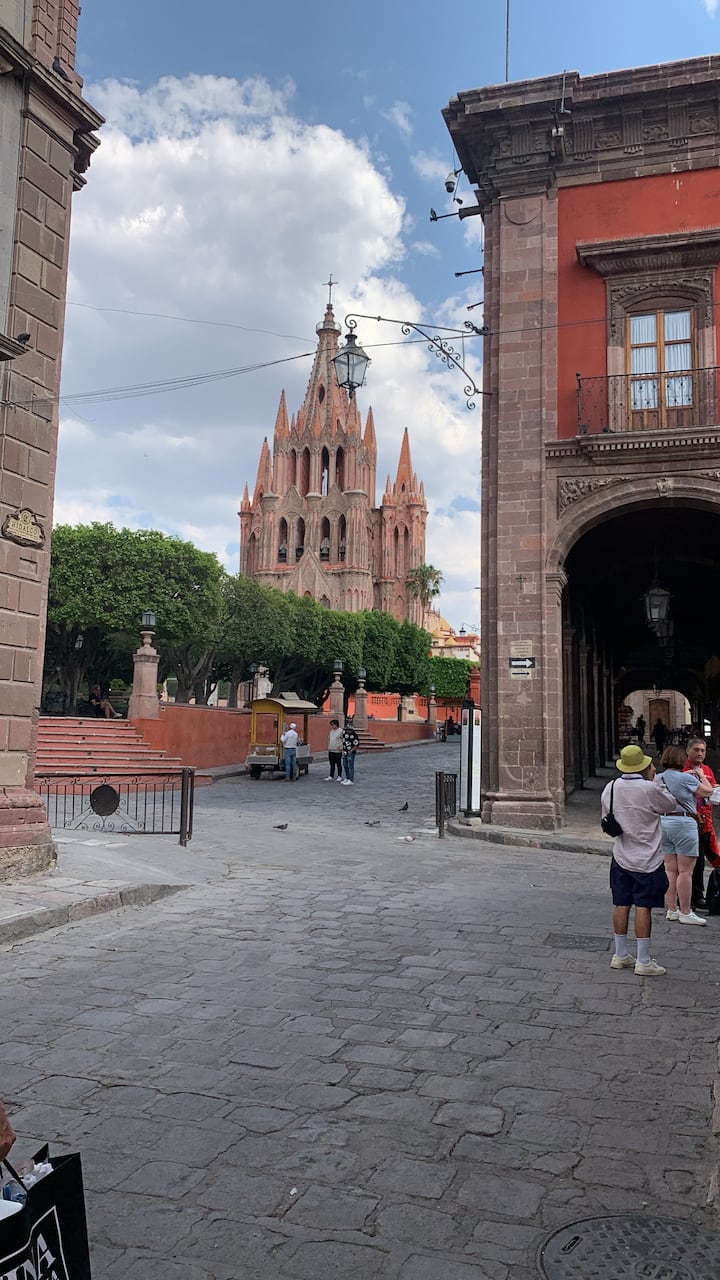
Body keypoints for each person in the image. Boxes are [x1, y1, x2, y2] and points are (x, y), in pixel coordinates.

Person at [601, 743, 676, 977]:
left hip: (621, 855)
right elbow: (669, 805)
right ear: (644, 765)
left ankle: (620, 954)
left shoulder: (611, 788)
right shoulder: (648, 788)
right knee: (643, 906)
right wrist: (654, 781)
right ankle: (643, 960)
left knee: (621, 903)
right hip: (648, 858)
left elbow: (606, 817)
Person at [658, 745, 712, 926]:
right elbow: (707, 791)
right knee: (686, 871)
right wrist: (701, 775)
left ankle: (671, 908)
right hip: (683, 822)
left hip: (664, 822)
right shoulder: (685, 778)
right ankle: (686, 911)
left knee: (670, 869)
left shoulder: (658, 778)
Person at [684, 736, 720, 908]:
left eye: (702, 750)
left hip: (707, 822)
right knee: (694, 862)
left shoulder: (707, 770)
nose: (699, 753)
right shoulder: (684, 770)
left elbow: (713, 792)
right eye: (696, 750)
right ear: (688, 751)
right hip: (691, 821)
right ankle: (694, 896)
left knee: (713, 856)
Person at [340, 717, 359, 786]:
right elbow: (343, 741)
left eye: (349, 730)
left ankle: (351, 780)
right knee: (345, 765)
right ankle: (347, 777)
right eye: (347, 729)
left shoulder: (354, 735)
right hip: (345, 751)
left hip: (351, 752)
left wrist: (351, 751)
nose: (348, 731)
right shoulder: (345, 734)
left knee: (350, 765)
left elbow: (356, 745)